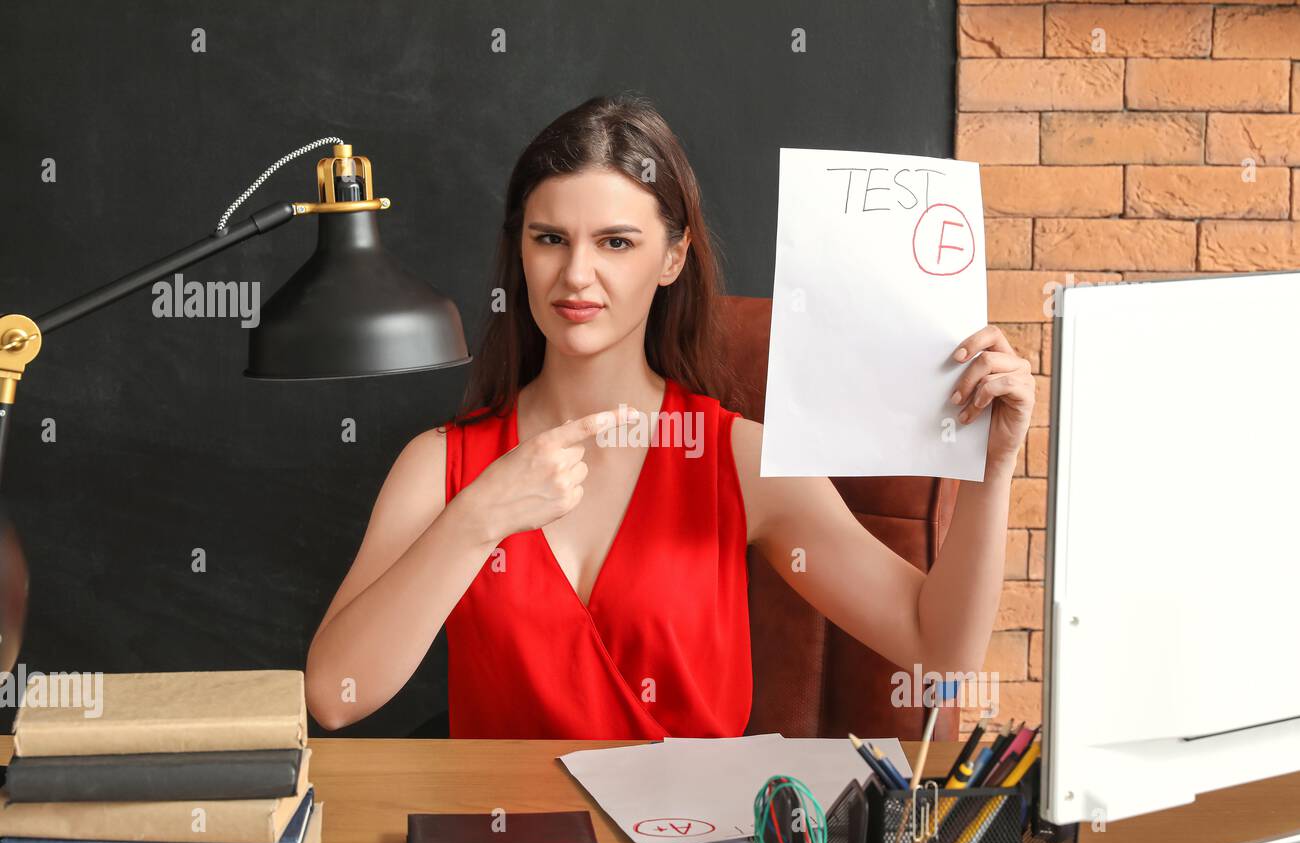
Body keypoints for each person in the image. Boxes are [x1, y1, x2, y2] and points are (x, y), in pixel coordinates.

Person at [305, 92, 1033, 738]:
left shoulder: (742, 461)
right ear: (519, 252)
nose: (576, 275)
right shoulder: (442, 465)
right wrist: (476, 519)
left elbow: (938, 653)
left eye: (616, 243)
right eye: (549, 239)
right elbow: (336, 697)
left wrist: (992, 470)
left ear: (673, 257)